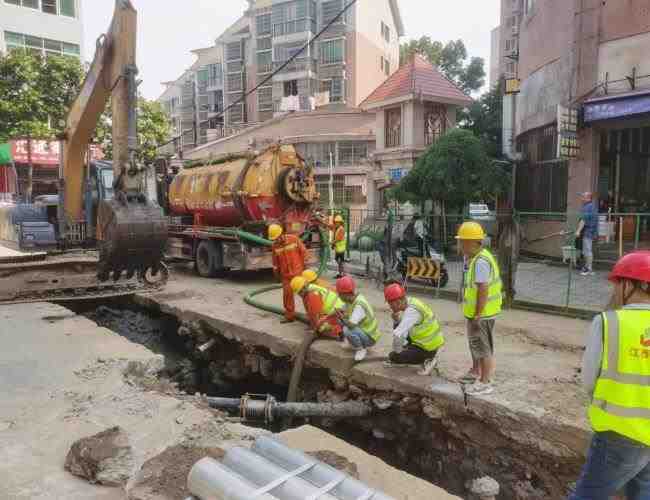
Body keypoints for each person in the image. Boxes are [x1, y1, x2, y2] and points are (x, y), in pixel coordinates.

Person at [569, 251, 650, 499]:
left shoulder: (607, 322)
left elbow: (588, 380)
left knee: (586, 496)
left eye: (618, 283)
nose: (614, 290)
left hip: (618, 433)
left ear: (632, 285)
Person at [456, 221, 502, 396]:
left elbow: (483, 289)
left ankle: (485, 382)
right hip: (479, 314)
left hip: (482, 315)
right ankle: (477, 373)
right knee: (477, 345)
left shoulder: (481, 261)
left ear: (470, 242)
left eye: (462, 241)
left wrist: (478, 314)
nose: (460, 245)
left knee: (484, 348)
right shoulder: (477, 258)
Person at [383, 283, 444, 376]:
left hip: (428, 348)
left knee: (393, 356)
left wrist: (397, 354)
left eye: (390, 304)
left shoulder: (412, 312)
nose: (390, 307)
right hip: (425, 342)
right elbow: (403, 329)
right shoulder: (411, 302)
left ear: (398, 301)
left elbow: (398, 334)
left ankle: (429, 360)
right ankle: (416, 354)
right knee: (401, 346)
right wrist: (396, 320)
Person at [335, 276, 382, 362]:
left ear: (345, 294)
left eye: (339, 294)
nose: (339, 296)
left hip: (370, 336)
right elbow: (344, 309)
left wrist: (342, 318)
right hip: (364, 331)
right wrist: (340, 312)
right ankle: (352, 343)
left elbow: (351, 325)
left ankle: (361, 349)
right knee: (341, 323)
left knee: (347, 329)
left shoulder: (359, 305)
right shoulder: (351, 300)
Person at [269, 223, 308, 324]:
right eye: (274, 239)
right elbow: (275, 263)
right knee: (287, 295)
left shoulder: (293, 239)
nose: (276, 240)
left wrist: (305, 269)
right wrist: (276, 274)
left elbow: (304, 253)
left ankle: (311, 314)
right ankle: (289, 316)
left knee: (306, 294)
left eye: (277, 238)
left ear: (282, 233)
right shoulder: (275, 246)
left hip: (298, 273)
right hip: (286, 275)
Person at [576, 192, 598, 276]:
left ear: (588, 198)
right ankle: (587, 267)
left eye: (583, 197)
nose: (581, 199)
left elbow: (583, 220)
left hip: (588, 231)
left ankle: (589, 269)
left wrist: (578, 231)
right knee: (587, 251)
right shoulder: (592, 206)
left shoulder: (587, 207)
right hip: (591, 231)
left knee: (587, 251)